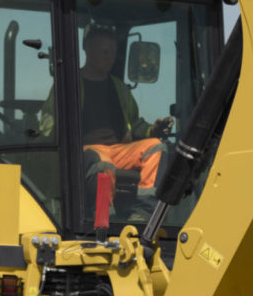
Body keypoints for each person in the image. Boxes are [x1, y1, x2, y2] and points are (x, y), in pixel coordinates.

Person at [41, 25, 172, 197]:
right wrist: (57, 140)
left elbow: (133, 124)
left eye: (112, 52)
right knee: (103, 164)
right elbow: (49, 120)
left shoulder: (120, 88)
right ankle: (103, 219)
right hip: (86, 150)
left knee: (156, 148)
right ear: (88, 50)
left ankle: (145, 211)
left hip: (119, 149)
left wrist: (153, 130)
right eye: (104, 52)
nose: (110, 57)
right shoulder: (69, 84)